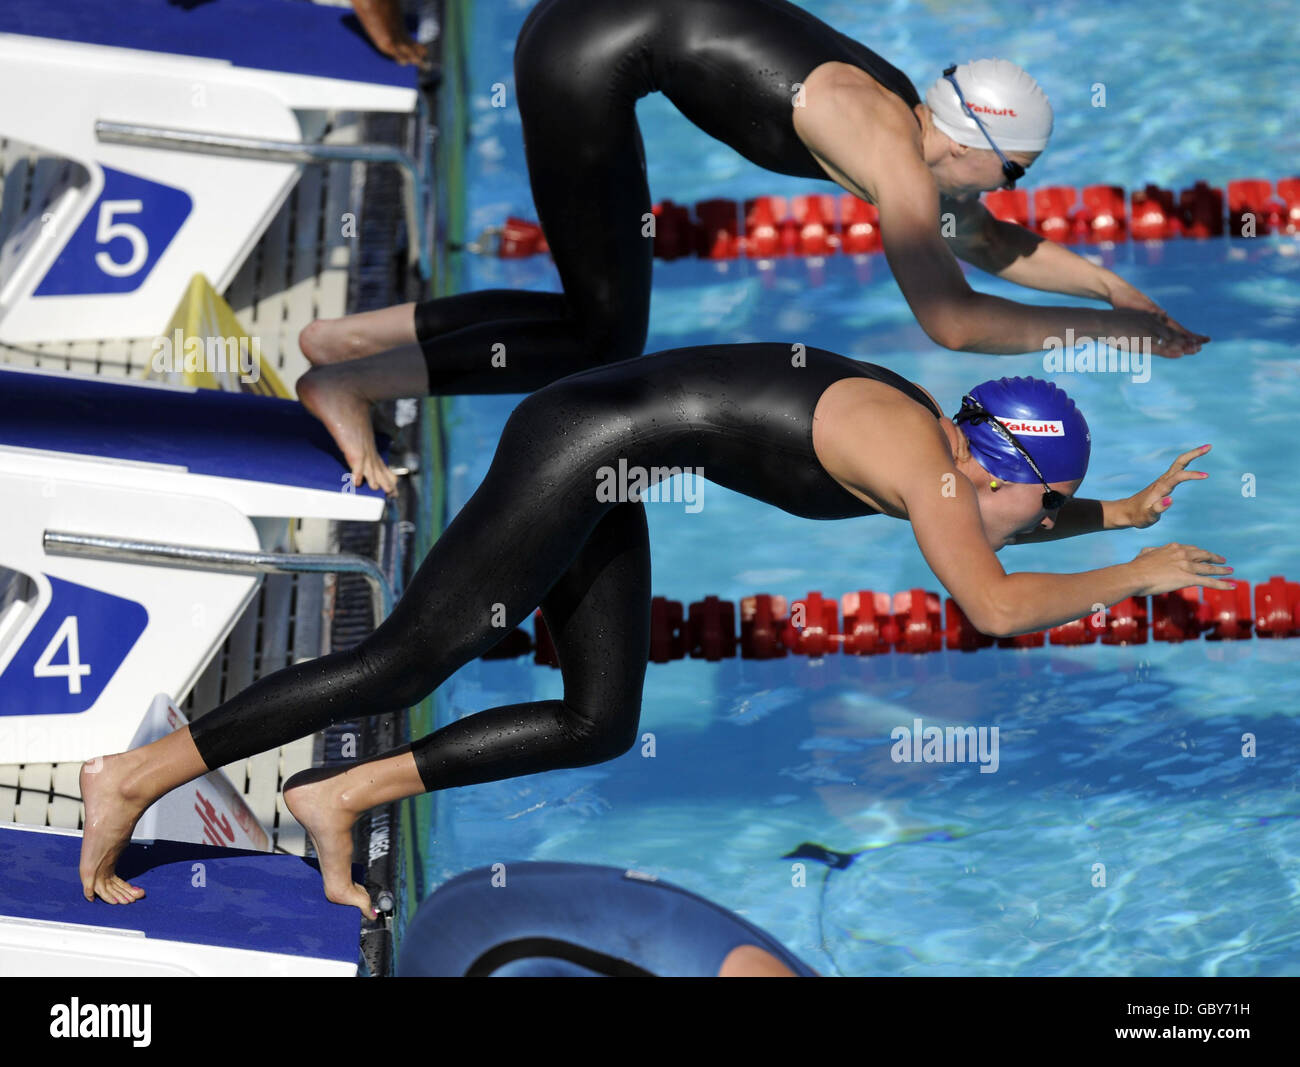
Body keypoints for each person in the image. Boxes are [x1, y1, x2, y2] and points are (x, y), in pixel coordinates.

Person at [78, 342, 1230, 913]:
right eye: (1043, 501)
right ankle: (134, 772)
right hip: (577, 446)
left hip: (612, 471)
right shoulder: (923, 465)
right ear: (996, 464)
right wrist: (1129, 568)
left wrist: (1114, 511)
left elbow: (1002, 532)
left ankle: (336, 796)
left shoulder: (946, 450)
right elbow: (988, 600)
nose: (1034, 522)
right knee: (406, 658)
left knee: (596, 719)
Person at [293, 0, 1209, 493]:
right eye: (1012, 171)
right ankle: (350, 382)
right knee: (602, 340)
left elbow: (986, 240)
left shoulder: (908, 124)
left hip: (582, 31)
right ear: (970, 143)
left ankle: (349, 343)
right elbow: (953, 322)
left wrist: (1105, 287)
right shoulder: (891, 152)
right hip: (583, 60)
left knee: (596, 314)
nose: (1011, 191)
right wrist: (1104, 340)